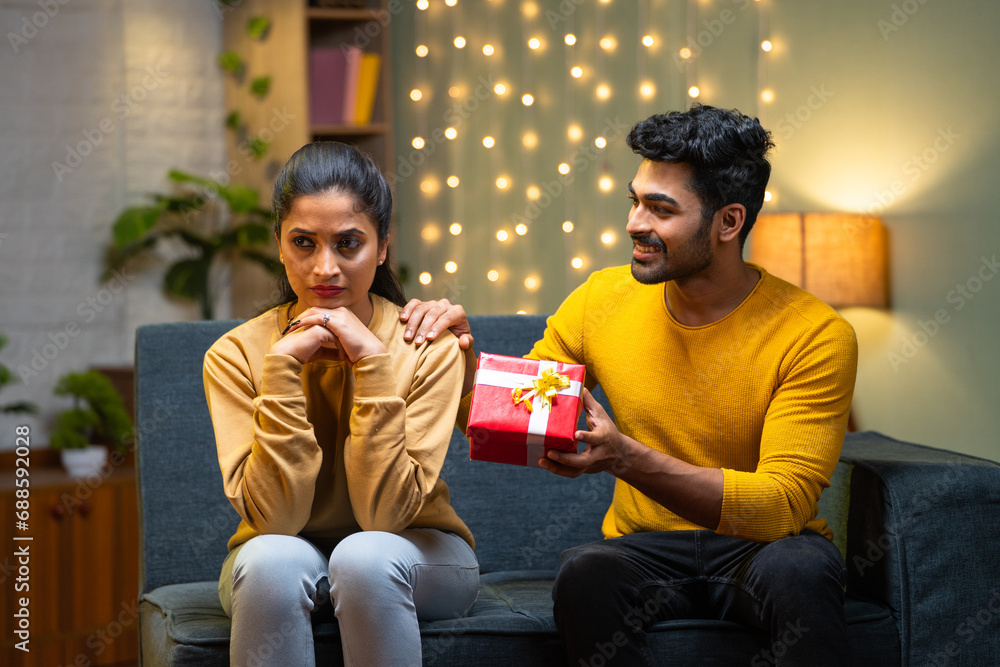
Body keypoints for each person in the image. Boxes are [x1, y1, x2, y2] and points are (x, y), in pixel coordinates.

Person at [400, 105, 858, 666]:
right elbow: (520, 414)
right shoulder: (603, 298)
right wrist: (463, 358)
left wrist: (626, 458)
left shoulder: (814, 334)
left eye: (661, 209)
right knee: (585, 573)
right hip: (644, 548)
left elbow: (782, 507)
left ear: (728, 222)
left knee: (801, 569)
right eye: (635, 201)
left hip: (762, 551)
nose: (635, 224)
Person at [203, 141, 479, 667]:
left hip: (419, 549)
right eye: (303, 243)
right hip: (284, 546)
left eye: (348, 243)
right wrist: (282, 369)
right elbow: (276, 519)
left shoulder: (427, 346)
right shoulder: (236, 354)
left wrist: (372, 362)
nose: (323, 268)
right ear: (280, 248)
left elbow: (384, 515)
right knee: (267, 560)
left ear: (382, 248)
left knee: (364, 556)